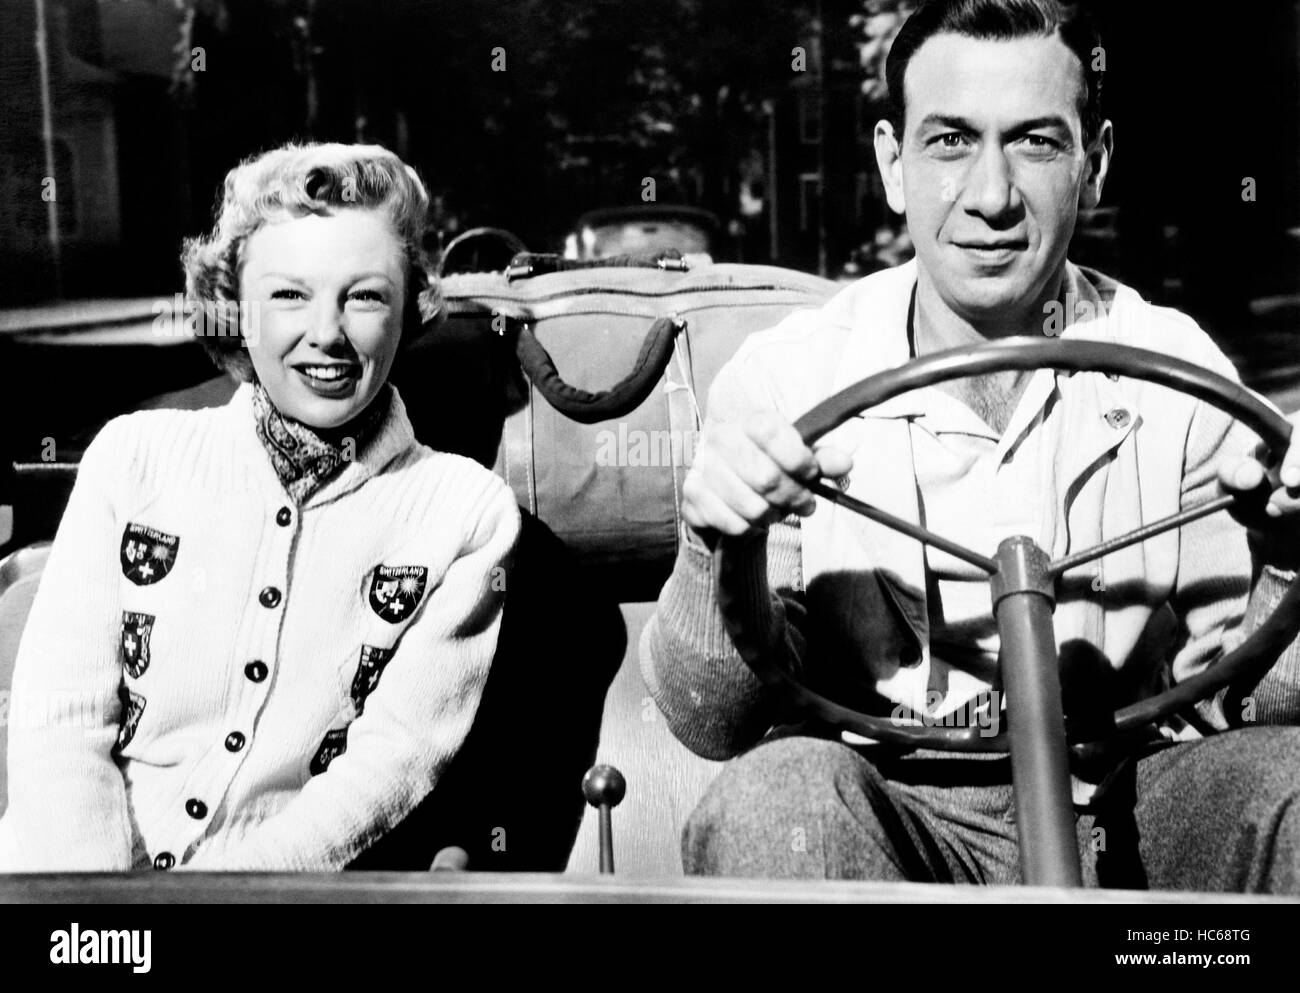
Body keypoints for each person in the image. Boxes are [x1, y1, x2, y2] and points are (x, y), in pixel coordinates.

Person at [641, 0, 1300, 892]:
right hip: (892, 814)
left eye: (1036, 143)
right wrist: (720, 546)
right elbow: (709, 720)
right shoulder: (788, 379)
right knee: (773, 796)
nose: (991, 197)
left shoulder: (1173, 367)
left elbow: (1261, 702)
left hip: (1130, 802)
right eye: (951, 142)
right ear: (891, 163)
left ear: (1094, 163)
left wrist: (1287, 564)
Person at [0, 143, 521, 871]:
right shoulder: (132, 457)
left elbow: (391, 764)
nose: (327, 332)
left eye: (365, 295)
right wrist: (101, 908)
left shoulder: (467, 513)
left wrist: (217, 903)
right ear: (235, 309)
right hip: (62, 892)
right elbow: (60, 718)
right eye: (288, 295)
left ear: (410, 312)